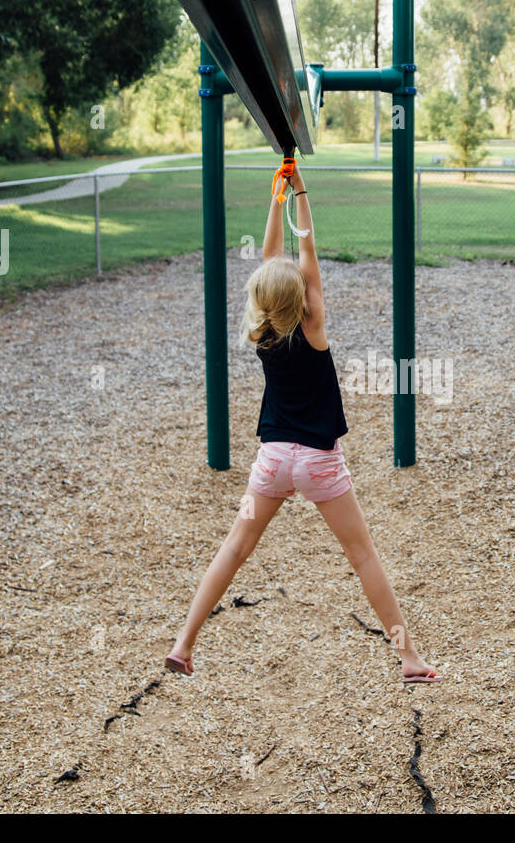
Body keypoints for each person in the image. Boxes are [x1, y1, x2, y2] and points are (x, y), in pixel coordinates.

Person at [166, 163, 440, 684]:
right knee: (362, 556)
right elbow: (305, 256)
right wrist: (301, 195)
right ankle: (409, 659)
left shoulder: (262, 328)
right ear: (303, 298)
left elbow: (274, 265)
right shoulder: (311, 323)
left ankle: (183, 643)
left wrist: (275, 199)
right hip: (318, 463)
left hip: (271, 465)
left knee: (235, 548)